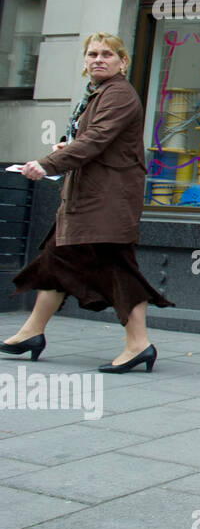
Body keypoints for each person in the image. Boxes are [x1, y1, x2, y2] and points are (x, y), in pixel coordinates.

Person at [6, 33, 172, 372]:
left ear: (122, 62)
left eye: (107, 54)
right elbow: (90, 139)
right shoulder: (97, 95)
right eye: (92, 54)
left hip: (106, 203)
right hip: (89, 199)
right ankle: (31, 332)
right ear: (85, 62)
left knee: (118, 269)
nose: (99, 59)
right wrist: (64, 148)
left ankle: (139, 344)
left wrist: (48, 163)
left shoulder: (120, 95)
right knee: (56, 258)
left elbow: (96, 139)